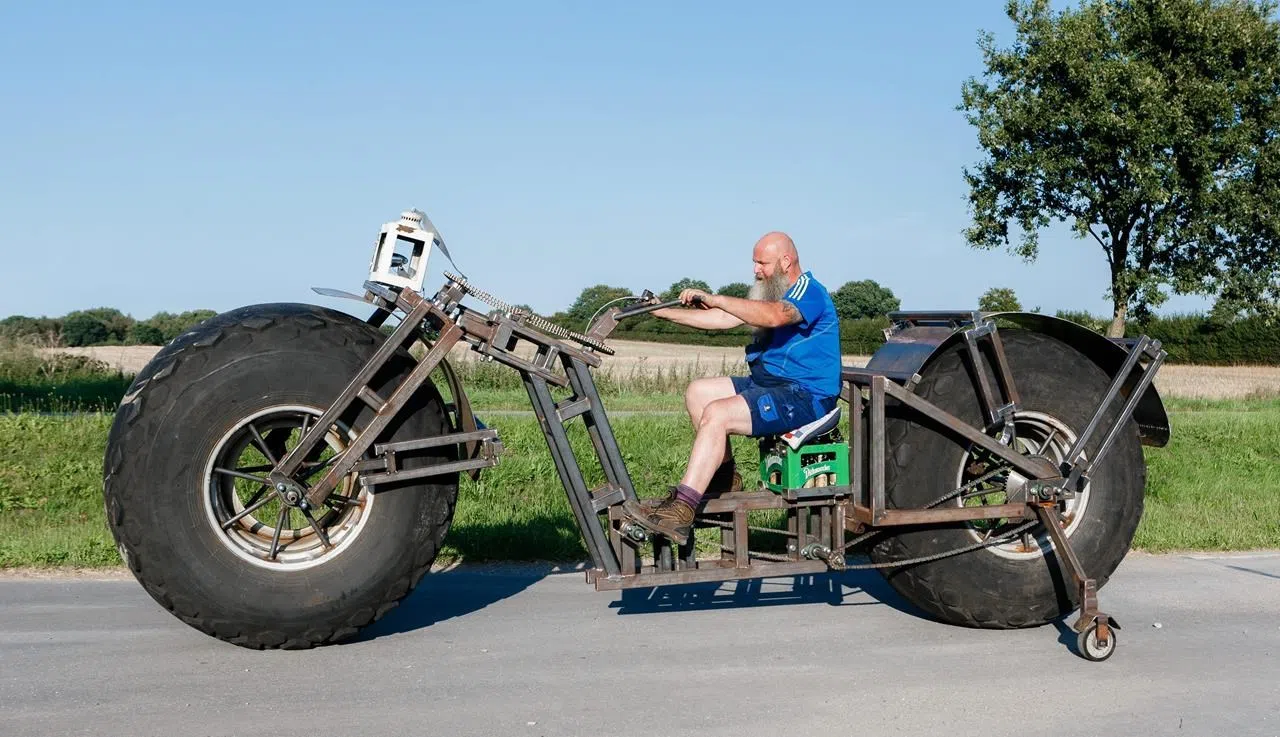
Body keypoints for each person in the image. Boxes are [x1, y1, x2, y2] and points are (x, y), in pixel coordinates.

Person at [622, 231, 842, 544]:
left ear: (786, 261)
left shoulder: (809, 291)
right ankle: (725, 480)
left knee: (718, 414)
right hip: (772, 384)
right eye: (754, 263)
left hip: (805, 396)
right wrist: (662, 312)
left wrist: (716, 298)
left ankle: (682, 509)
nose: (756, 270)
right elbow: (723, 319)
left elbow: (777, 316)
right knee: (698, 392)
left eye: (762, 263)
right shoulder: (770, 293)